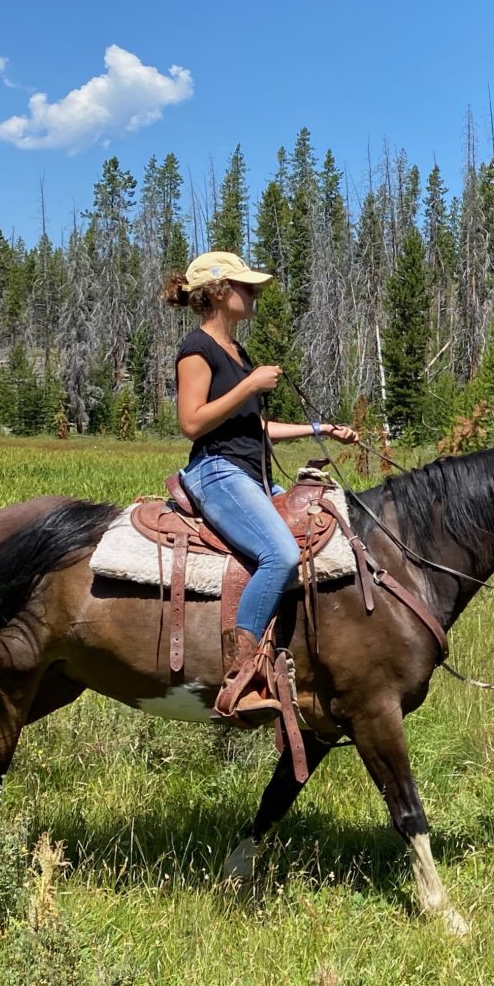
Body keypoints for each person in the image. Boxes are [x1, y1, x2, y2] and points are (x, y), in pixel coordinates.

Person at [165, 250, 358, 719]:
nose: (253, 294)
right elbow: (191, 423)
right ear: (218, 291)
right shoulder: (198, 350)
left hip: (252, 475)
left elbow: (255, 429)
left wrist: (319, 429)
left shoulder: (236, 352)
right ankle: (243, 673)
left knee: (320, 532)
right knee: (281, 554)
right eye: (245, 286)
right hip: (216, 471)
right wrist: (249, 385)